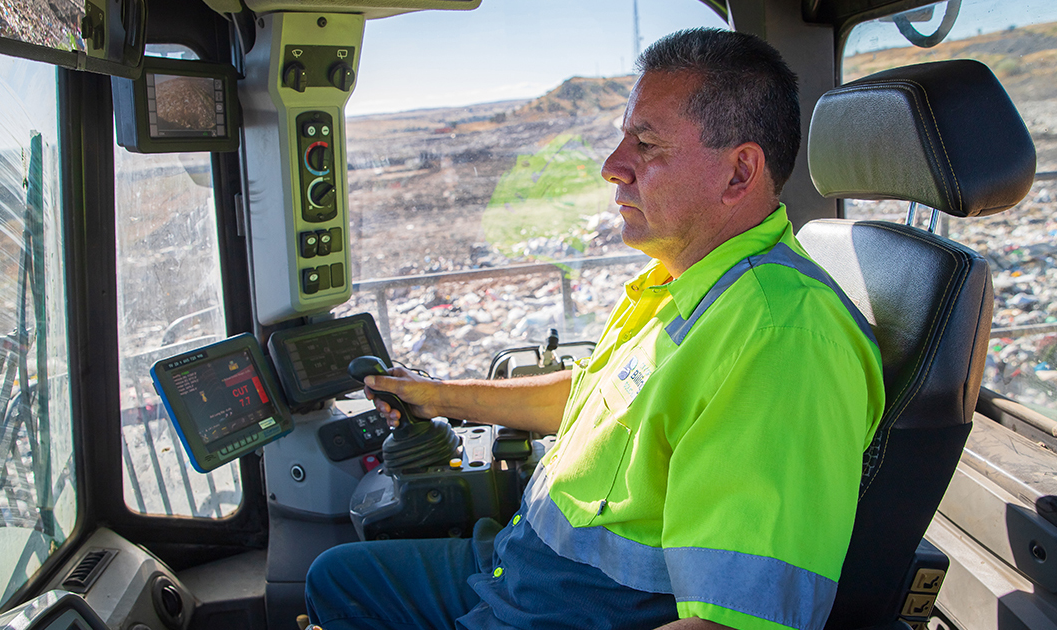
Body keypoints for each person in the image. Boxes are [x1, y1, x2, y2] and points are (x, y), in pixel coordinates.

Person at [306, 27, 885, 630]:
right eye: (622, 138)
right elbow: (592, 402)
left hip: (573, 608)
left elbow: (736, 623)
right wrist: (439, 396)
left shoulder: (780, 338)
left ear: (739, 173)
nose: (613, 166)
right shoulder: (680, 283)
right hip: (519, 566)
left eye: (648, 144)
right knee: (334, 578)